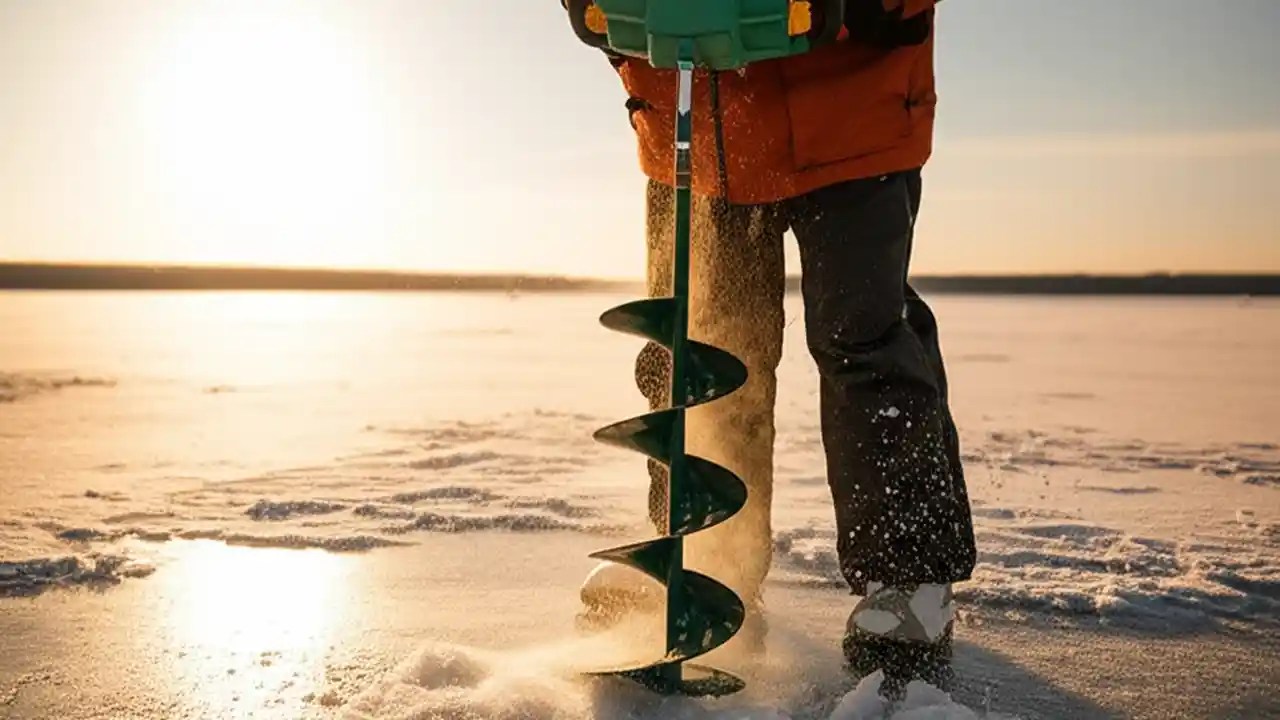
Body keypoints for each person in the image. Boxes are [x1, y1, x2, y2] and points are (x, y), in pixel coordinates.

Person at [575, 0, 977, 696]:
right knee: (700, 346)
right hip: (696, 113)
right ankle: (703, 556)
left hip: (853, 111)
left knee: (865, 343)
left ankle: (909, 577)